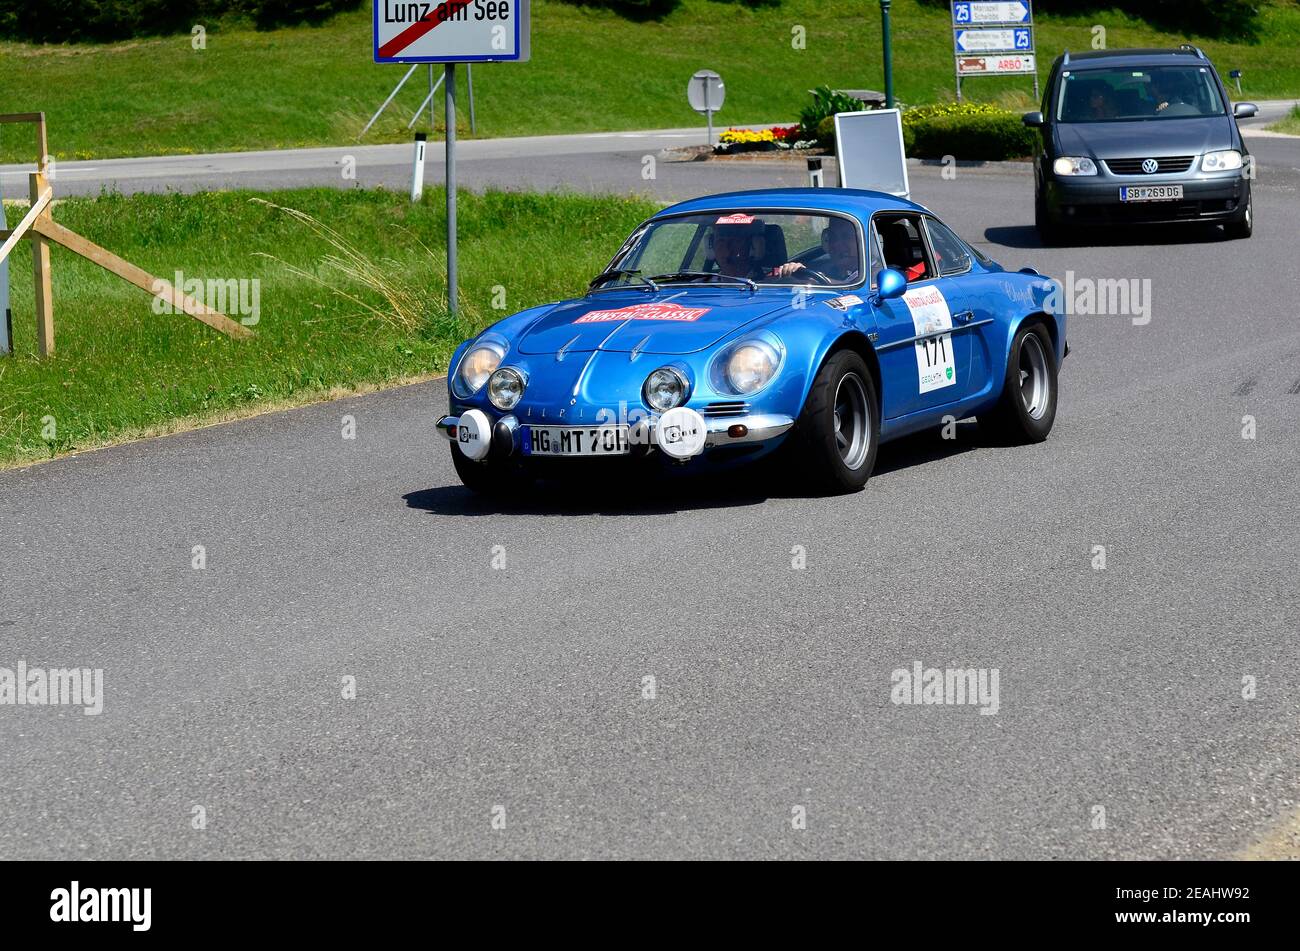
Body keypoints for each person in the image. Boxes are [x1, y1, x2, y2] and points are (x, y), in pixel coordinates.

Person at [767, 216, 862, 283]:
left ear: (862, 239)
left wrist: (816, 281)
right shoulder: (825, 267)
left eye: (847, 236)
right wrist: (793, 271)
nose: (836, 244)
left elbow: (868, 291)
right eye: (832, 237)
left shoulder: (874, 270)